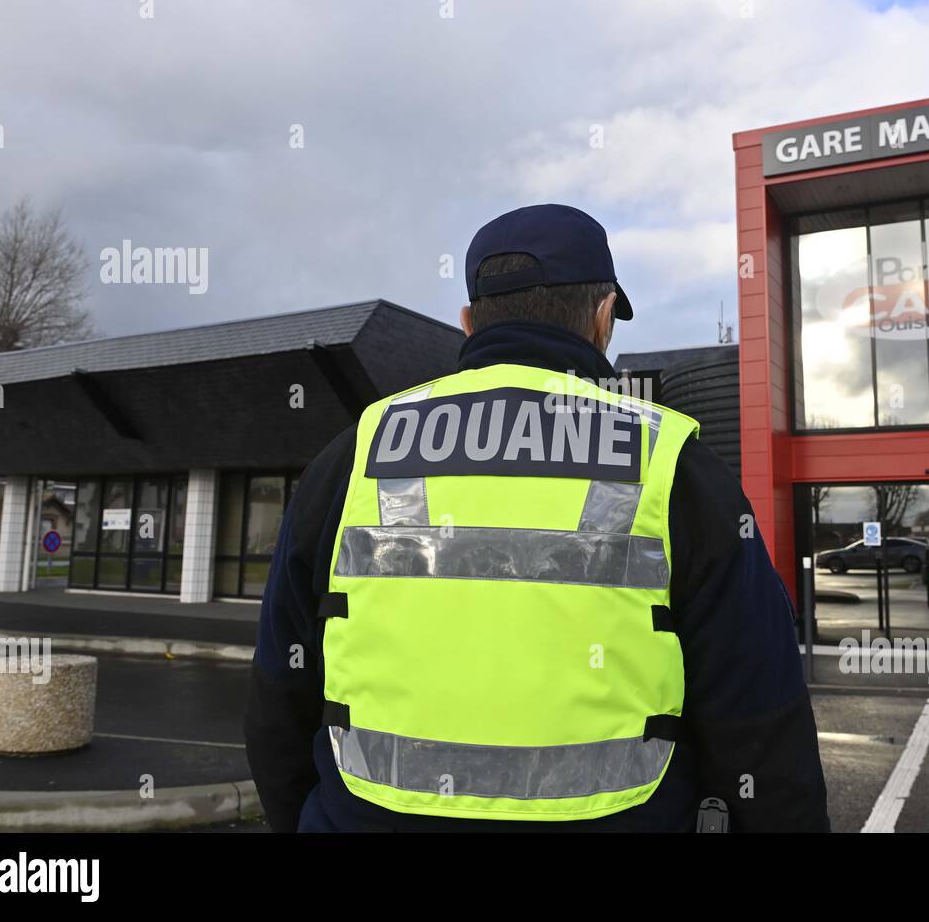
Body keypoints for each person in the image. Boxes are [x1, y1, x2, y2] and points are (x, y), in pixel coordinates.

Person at [244, 203, 830, 832]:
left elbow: (280, 697)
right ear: (603, 317)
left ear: (468, 322)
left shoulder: (354, 454)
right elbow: (761, 726)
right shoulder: (675, 467)